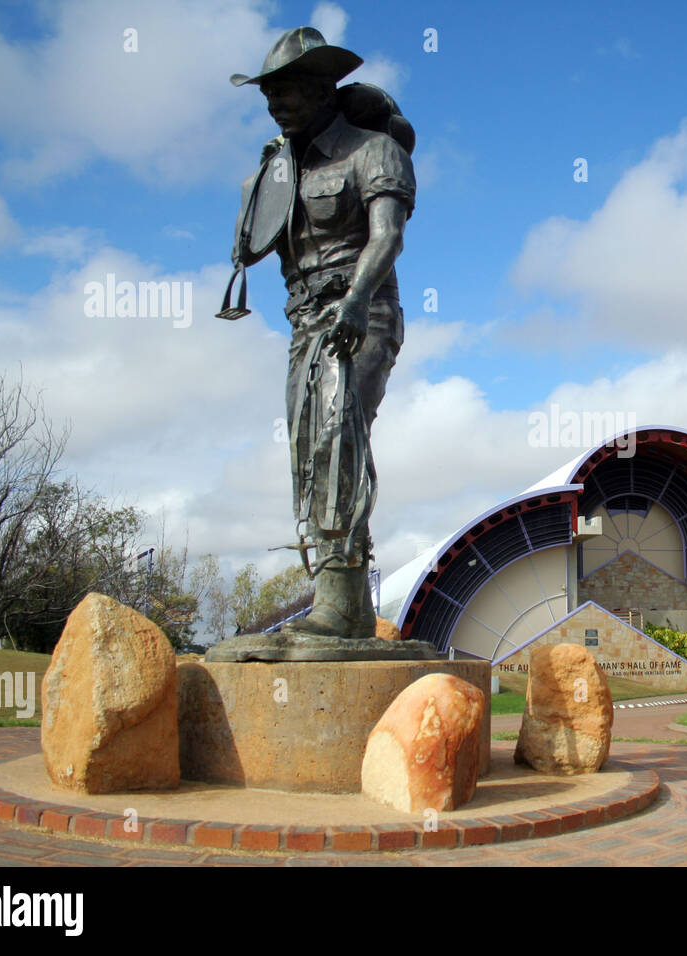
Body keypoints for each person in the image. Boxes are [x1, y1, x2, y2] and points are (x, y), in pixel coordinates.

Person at [229, 27, 416, 642]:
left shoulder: (372, 151)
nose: (276, 102)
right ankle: (351, 608)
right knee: (310, 451)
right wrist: (266, 178)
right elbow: (250, 244)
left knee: (339, 439)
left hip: (361, 312)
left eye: (287, 90)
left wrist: (358, 301)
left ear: (323, 89)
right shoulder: (279, 166)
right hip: (304, 320)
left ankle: (335, 606)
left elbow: (387, 236)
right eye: (268, 94)